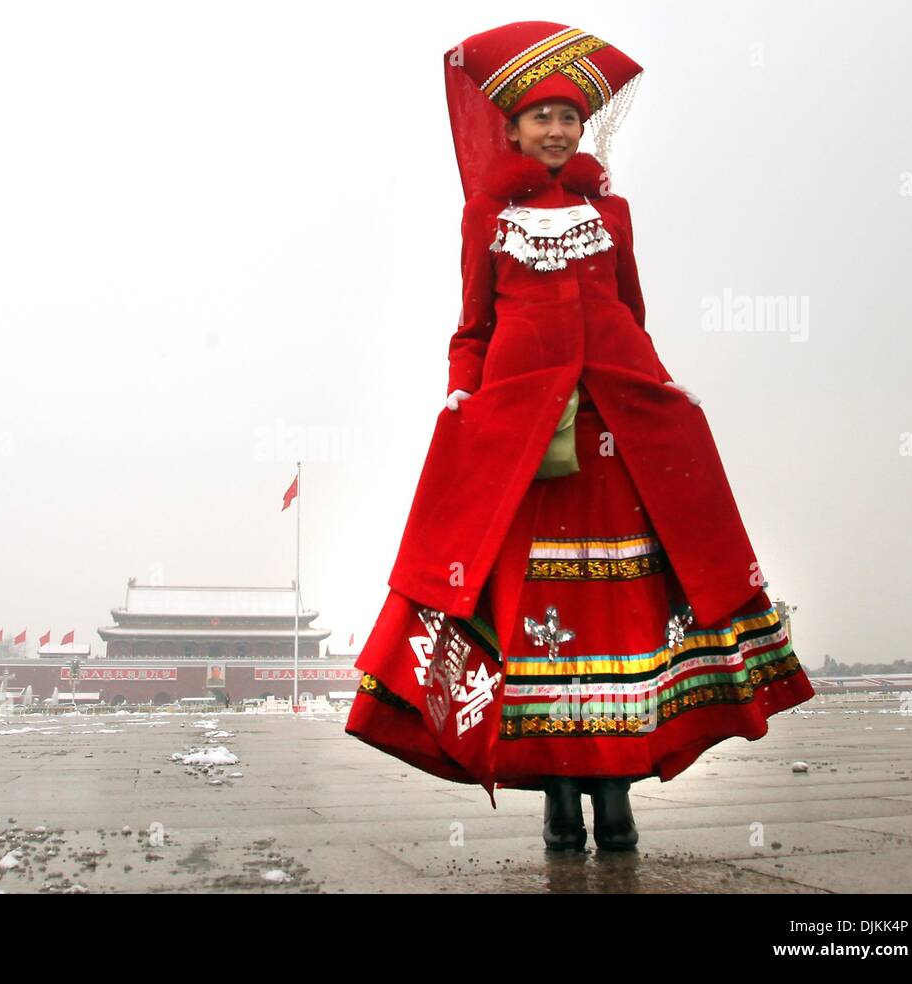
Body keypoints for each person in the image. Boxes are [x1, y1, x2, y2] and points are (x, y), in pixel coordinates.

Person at [345, 20, 815, 851]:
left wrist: (662, 389)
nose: (558, 131)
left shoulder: (613, 214)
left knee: (620, 617)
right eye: (541, 118)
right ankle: (563, 796)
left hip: (614, 435)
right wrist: (463, 395)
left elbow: (630, 315)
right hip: (527, 445)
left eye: (570, 117)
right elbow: (474, 326)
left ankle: (616, 792)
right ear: (514, 128)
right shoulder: (486, 216)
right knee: (542, 619)